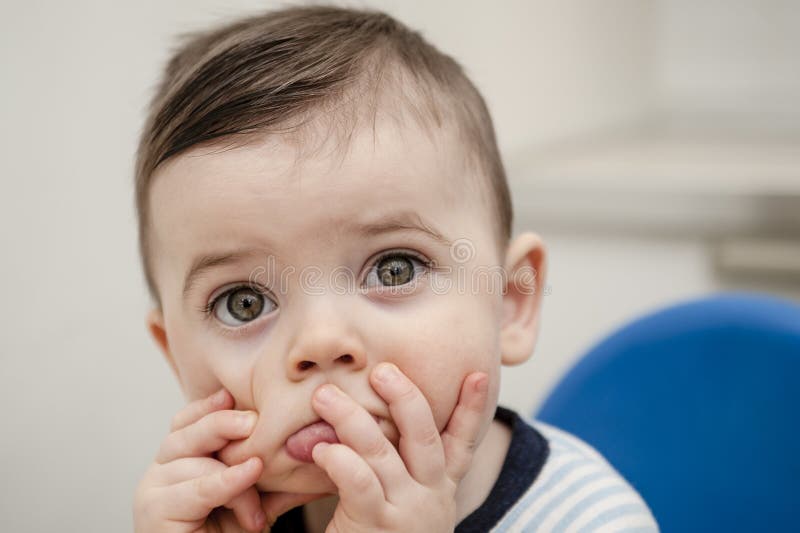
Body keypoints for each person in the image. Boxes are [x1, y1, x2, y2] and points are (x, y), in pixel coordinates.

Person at [131, 5, 659, 532]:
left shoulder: (590, 519)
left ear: (510, 302)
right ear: (177, 358)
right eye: (243, 302)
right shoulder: (220, 518)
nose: (319, 343)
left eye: (394, 270)